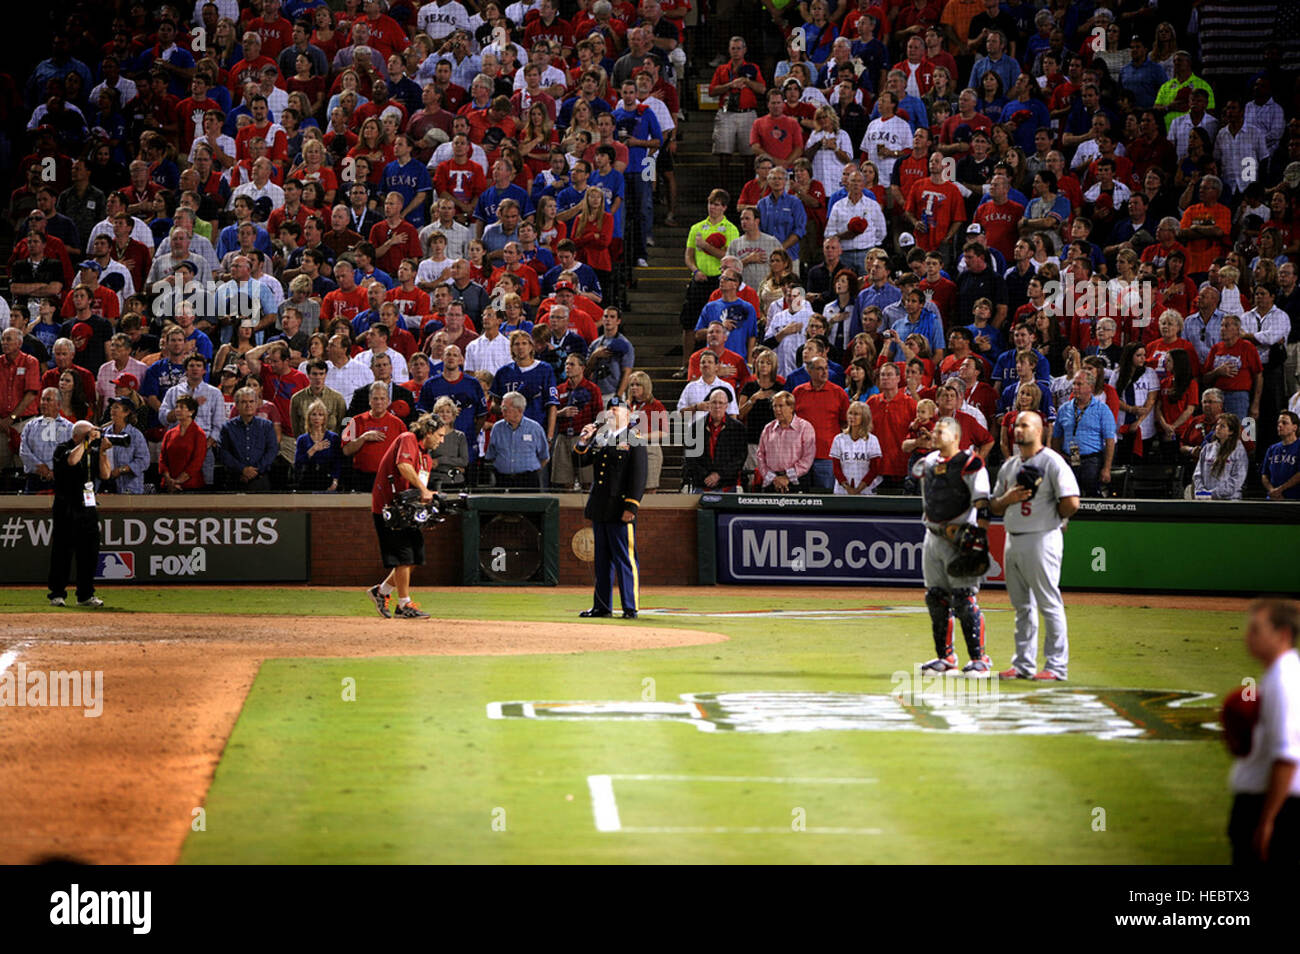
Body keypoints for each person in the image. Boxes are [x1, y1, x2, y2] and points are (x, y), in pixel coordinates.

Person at [990, 411, 1081, 681]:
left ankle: (1055, 666)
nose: (1018, 430)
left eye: (1025, 425)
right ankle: (1023, 664)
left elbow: (1072, 501)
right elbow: (994, 505)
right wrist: (1008, 498)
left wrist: (1055, 517)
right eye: (1017, 425)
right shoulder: (1009, 466)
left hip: (1042, 537)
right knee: (1022, 607)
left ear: (1039, 430)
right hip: (1013, 536)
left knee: (1048, 603)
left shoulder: (1053, 461)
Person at [917, 415, 993, 675]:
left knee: (964, 598)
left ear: (956, 436)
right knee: (936, 597)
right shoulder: (928, 461)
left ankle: (979, 658)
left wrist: (979, 537)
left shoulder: (971, 463)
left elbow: (983, 502)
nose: (935, 434)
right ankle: (946, 658)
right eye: (935, 430)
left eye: (941, 431)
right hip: (933, 534)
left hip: (959, 537)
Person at [1227, 598, 1300, 865]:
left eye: (1256, 630)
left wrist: (1267, 821)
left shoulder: (1284, 681)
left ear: (1283, 635)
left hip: (1272, 806)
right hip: (1271, 803)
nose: (1248, 637)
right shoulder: (1281, 675)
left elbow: (1288, 757)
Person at [366, 413, 452, 620]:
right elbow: (403, 467)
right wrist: (424, 489)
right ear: (428, 432)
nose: (441, 441)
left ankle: (382, 591)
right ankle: (404, 605)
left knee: (414, 558)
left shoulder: (427, 459)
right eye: (439, 435)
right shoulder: (408, 439)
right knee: (404, 558)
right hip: (389, 510)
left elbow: (418, 491)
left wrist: (427, 513)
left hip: (406, 511)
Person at [574, 397, 647, 619]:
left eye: (617, 409)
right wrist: (584, 442)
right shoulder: (602, 437)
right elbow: (580, 461)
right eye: (610, 410)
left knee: (625, 558)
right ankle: (602, 606)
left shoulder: (633, 439)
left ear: (628, 413)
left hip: (619, 508)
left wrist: (631, 506)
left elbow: (638, 476)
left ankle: (629, 606)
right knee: (602, 560)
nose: (612, 413)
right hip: (600, 507)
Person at [47, 419, 112, 608]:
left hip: (88, 507)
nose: (91, 438)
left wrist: (102, 452)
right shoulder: (62, 449)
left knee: (89, 553)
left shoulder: (92, 451)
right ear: (77, 436)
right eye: (87, 434)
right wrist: (86, 442)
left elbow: (106, 474)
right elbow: (71, 460)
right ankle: (57, 594)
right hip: (66, 507)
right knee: (62, 552)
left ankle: (85, 595)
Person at [1052, 369, 1117, 496]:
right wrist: (1059, 456)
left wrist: (1107, 468)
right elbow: (1056, 437)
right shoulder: (1064, 409)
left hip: (1092, 460)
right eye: (1074, 384)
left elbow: (1110, 440)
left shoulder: (1102, 409)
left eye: (1079, 384)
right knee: (1068, 495)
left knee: (1091, 494)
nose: (1075, 387)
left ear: (1090, 387)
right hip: (1069, 459)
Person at [485, 390, 551, 488]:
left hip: (528, 481)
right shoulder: (497, 428)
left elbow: (544, 457)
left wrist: (530, 469)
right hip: (503, 480)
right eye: (502, 408)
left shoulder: (535, 428)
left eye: (506, 408)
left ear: (519, 410)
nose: (502, 411)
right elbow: (491, 455)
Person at [829, 401, 882, 495]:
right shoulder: (838, 439)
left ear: (864, 417)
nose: (851, 417)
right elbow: (836, 469)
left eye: (856, 414)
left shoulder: (872, 440)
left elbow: (874, 469)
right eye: (850, 413)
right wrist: (848, 488)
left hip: (866, 491)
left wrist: (858, 490)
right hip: (842, 491)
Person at [1192, 413, 1248, 500]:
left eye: (1222, 426)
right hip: (1205, 499)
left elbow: (1237, 480)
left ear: (1231, 431)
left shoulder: (1239, 451)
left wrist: (1212, 494)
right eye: (1217, 424)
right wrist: (1201, 492)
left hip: (1229, 501)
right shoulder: (1207, 448)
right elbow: (1197, 474)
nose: (1217, 428)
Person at [295, 399, 343, 492]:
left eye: (320, 415)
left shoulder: (333, 438)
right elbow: (298, 464)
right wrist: (313, 450)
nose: (317, 418)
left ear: (324, 418)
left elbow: (337, 462)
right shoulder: (302, 439)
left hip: (327, 480)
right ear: (309, 417)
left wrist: (335, 481)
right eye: (314, 414)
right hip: (307, 481)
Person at [1260, 411, 1300, 501]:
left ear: (1295, 427)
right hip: (1273, 497)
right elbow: (1264, 475)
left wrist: (1280, 489)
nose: (1280, 425)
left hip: (1294, 499)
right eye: (1278, 423)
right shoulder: (1272, 449)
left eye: (1284, 423)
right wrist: (1272, 490)